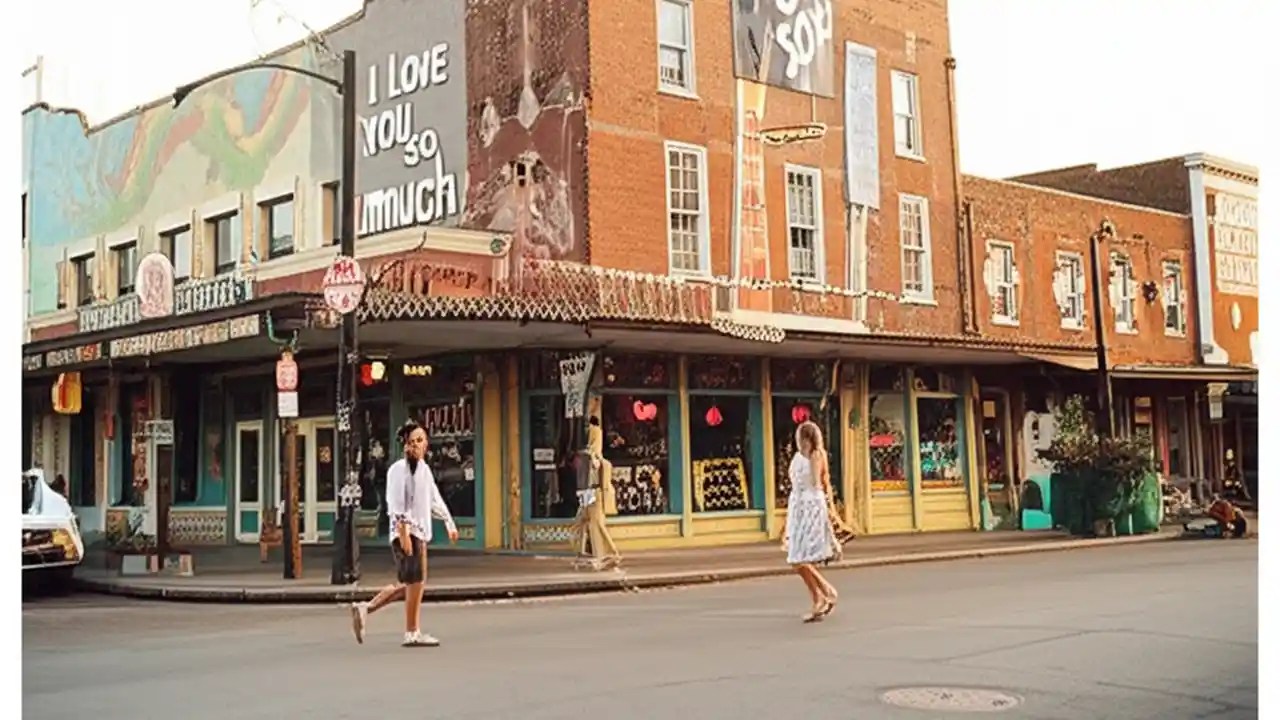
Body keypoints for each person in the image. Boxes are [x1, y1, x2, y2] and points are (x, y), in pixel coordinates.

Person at [348, 420, 458, 647]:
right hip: (406, 533)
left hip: (419, 532)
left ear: (426, 443)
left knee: (414, 583)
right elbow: (396, 502)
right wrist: (404, 531)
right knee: (414, 582)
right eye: (412, 442)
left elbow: (434, 498)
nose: (416, 445)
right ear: (405, 446)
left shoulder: (424, 470)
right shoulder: (398, 470)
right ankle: (410, 630)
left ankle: (368, 609)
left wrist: (449, 522)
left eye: (420, 440)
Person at [785, 420, 839, 622]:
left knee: (800, 558)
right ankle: (820, 596)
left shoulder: (816, 455)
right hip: (797, 506)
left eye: (800, 437)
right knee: (795, 560)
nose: (797, 441)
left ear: (807, 438)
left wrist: (826, 516)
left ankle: (825, 592)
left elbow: (818, 486)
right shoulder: (797, 457)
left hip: (811, 507)